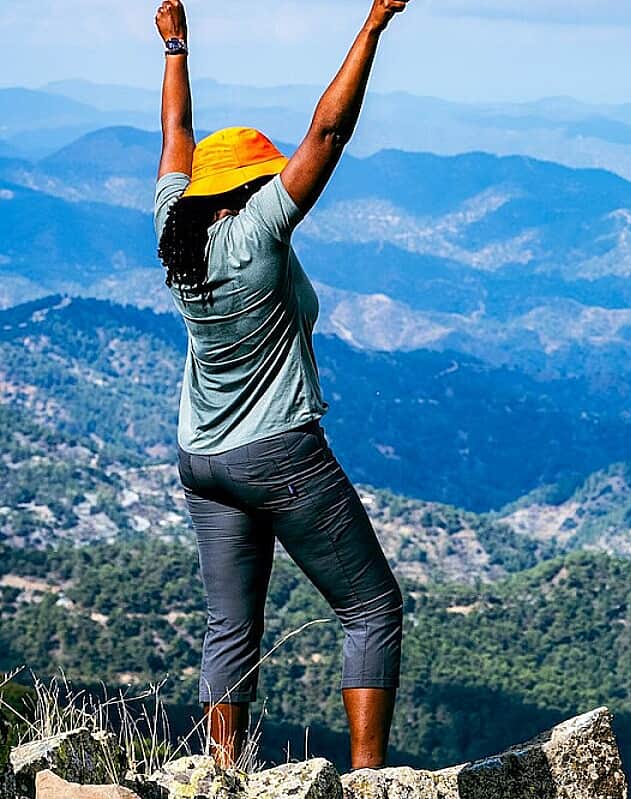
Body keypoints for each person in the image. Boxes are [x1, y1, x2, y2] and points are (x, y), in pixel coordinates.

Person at [153, 0, 410, 770]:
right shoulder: (257, 234)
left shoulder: (174, 234)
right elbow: (327, 134)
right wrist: (373, 25)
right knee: (372, 607)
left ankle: (220, 777)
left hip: (202, 457)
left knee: (230, 628)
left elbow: (175, 134)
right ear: (249, 189)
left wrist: (175, 47)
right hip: (277, 454)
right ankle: (368, 783)